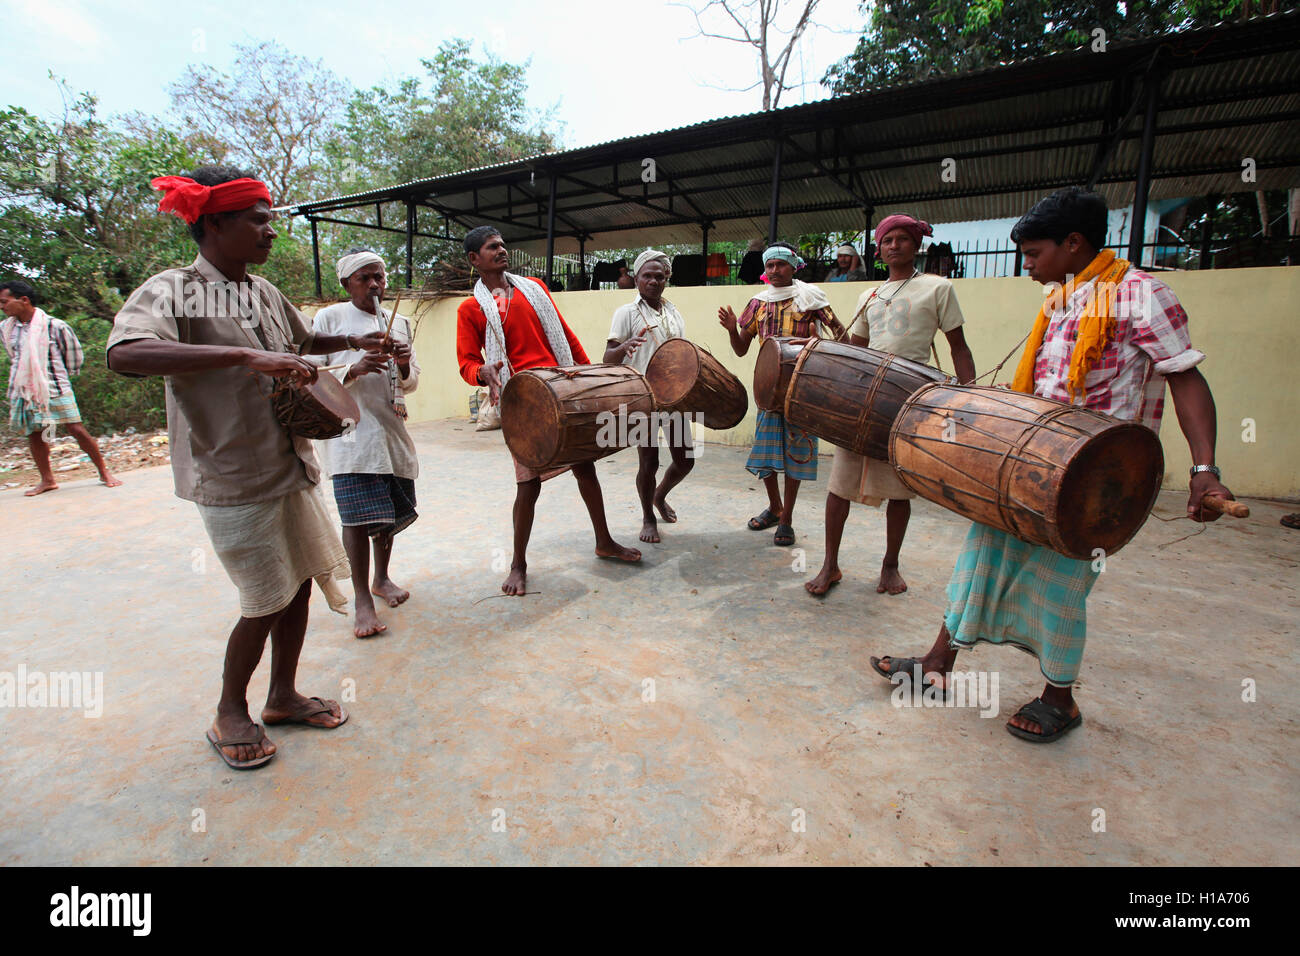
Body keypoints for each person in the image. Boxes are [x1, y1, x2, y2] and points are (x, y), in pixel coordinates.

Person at [869, 187, 1234, 743]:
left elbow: (1185, 376)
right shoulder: (1061, 298)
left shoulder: (1142, 295)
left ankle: (1059, 701)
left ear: (1074, 242)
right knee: (981, 556)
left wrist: (1204, 469)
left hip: (1093, 476)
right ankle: (936, 664)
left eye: (1035, 253)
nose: (1027, 265)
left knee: (1062, 586)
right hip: (1029, 459)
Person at [107, 165, 394, 770]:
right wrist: (241, 354)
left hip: (291, 462)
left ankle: (283, 696)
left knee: (297, 588)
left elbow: (301, 340)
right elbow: (126, 353)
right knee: (263, 597)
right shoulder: (174, 289)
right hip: (231, 475)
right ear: (214, 222)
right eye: (257, 219)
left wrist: (352, 346)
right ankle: (228, 710)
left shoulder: (262, 292)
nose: (270, 231)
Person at [456, 225, 641, 595]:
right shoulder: (470, 308)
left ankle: (604, 541)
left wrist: (588, 375)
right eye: (492, 247)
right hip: (523, 404)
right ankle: (517, 565)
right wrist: (482, 371)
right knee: (528, 486)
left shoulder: (534, 289)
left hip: (562, 388)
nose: (502, 250)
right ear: (474, 259)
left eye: (503, 245)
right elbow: (466, 363)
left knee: (585, 468)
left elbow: (565, 335)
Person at [806, 215, 976, 598]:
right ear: (879, 249)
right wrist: (827, 347)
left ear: (916, 246)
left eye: (903, 239)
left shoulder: (938, 288)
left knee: (900, 488)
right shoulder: (868, 296)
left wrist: (970, 399)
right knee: (839, 484)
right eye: (888, 240)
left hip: (911, 397)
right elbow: (858, 352)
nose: (894, 245)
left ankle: (890, 565)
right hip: (866, 397)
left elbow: (958, 347)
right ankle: (830, 564)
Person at [309, 250, 420, 639]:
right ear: (346, 284)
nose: (375, 285)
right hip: (349, 434)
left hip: (390, 430)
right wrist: (352, 369)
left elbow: (411, 381)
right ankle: (361, 600)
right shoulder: (330, 319)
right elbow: (310, 374)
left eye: (380, 277)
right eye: (365, 278)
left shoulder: (399, 322)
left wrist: (404, 363)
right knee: (355, 517)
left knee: (386, 514)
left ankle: (382, 578)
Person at [718, 242, 846, 546]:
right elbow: (740, 349)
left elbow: (843, 338)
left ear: (794, 266)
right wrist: (730, 329)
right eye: (770, 265)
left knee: (795, 453)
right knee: (766, 452)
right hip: (768, 387)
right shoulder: (757, 303)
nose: (774, 271)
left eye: (781, 265)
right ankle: (775, 507)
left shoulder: (811, 299)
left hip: (803, 388)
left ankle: (787, 518)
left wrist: (824, 339)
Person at [604, 249, 694, 543]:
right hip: (642, 397)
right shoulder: (626, 313)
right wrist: (624, 346)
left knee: (686, 461)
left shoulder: (675, 312)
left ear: (666, 279)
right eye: (647, 276)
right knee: (649, 463)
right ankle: (647, 517)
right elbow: (608, 359)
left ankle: (659, 495)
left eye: (659, 276)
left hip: (674, 397)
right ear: (637, 278)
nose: (653, 281)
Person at [1, 280, 121, 495]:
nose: (2, 307)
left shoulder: (55, 326)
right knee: (36, 433)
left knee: (75, 428)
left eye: (4, 302)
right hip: (26, 390)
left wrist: (55, 377)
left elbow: (73, 356)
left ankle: (104, 472)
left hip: (55, 386)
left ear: (24, 300)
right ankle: (47, 479)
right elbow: (14, 355)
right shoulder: (6, 328)